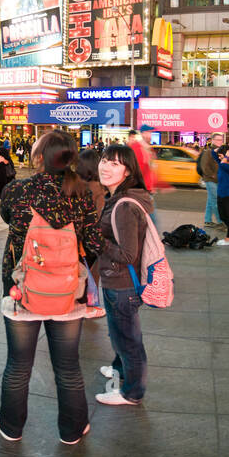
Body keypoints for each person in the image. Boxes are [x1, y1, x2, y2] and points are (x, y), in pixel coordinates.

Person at [0, 129, 105, 445]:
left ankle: (11, 427)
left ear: (39, 157)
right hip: (70, 291)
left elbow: (8, 219)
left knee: (18, 365)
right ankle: (72, 431)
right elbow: (94, 242)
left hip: (21, 288)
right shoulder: (82, 193)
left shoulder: (17, 190)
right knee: (68, 366)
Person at [90, 143, 158, 408]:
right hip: (118, 280)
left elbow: (127, 254)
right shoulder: (120, 196)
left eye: (115, 164)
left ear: (128, 171)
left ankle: (132, 392)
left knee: (128, 339)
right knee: (119, 333)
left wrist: (97, 240)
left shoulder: (124, 205)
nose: (106, 167)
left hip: (122, 283)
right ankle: (119, 369)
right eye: (104, 160)